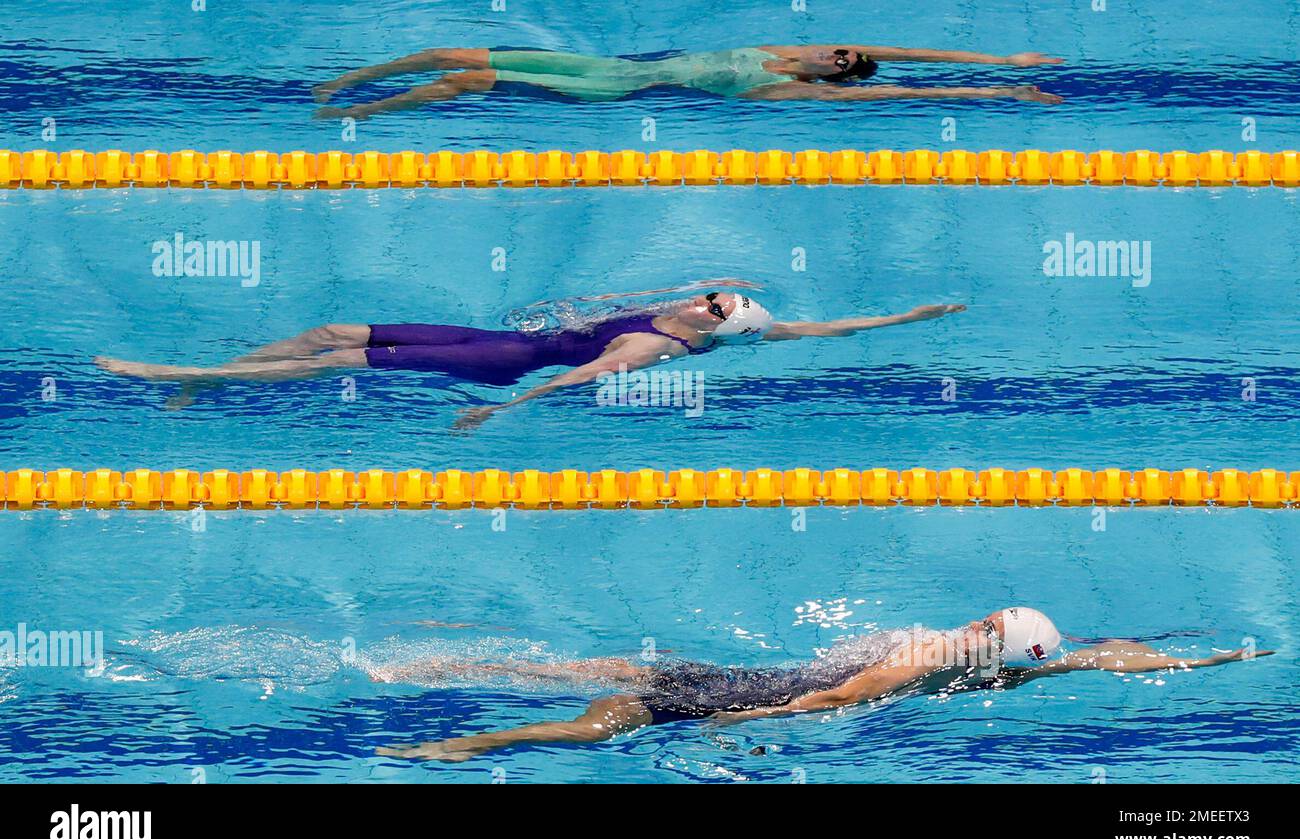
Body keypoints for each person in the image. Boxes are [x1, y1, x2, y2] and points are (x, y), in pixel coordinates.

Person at [371, 607, 1272, 762]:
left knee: (589, 672)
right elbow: (835, 700)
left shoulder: (960, 649)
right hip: (724, 696)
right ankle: (468, 746)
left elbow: (1099, 652)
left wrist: (1201, 653)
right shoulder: (934, 665)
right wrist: (745, 726)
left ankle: (444, 660)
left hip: (722, 672)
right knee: (598, 727)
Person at [92, 288, 966, 428]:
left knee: (334, 365)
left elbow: (577, 376)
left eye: (713, 304)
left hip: (490, 367)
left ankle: (186, 380)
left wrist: (501, 411)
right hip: (487, 334)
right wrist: (910, 315)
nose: (704, 294)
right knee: (334, 332)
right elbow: (820, 332)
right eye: (714, 290)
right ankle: (208, 382)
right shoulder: (709, 319)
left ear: (704, 332)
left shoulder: (644, 345)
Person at [312, 44, 1064, 117]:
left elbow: (911, 91)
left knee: (466, 81)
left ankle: (373, 111)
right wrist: (1010, 57)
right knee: (460, 53)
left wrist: (998, 94)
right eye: (840, 54)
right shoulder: (792, 47)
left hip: (619, 89)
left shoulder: (786, 90)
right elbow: (912, 55)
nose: (836, 58)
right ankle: (355, 78)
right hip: (610, 66)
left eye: (843, 67)